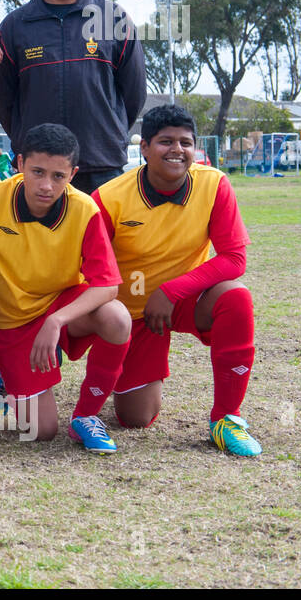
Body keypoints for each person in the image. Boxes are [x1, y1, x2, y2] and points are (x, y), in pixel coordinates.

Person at [0, 123, 132, 453]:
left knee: (117, 318)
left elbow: (107, 285)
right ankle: (5, 381)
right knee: (41, 431)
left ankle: (86, 416)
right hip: (15, 321)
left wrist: (55, 321)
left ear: (73, 174)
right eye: (37, 172)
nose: (46, 185)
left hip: (61, 306)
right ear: (20, 163)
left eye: (58, 176)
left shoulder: (84, 210)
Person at [91, 104, 261, 455]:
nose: (177, 150)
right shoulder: (109, 197)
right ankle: (119, 374)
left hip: (181, 300)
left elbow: (235, 258)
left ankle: (227, 418)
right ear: (145, 148)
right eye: (165, 141)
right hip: (132, 312)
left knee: (235, 297)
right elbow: (90, 268)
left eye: (186, 142)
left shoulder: (213, 184)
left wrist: (170, 290)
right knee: (136, 419)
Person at [0, 0, 146, 194]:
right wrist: (26, 144)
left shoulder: (114, 19)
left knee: (102, 237)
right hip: (41, 172)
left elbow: (134, 94)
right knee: (41, 237)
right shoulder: (14, 27)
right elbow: (4, 102)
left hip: (102, 168)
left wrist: (109, 133)